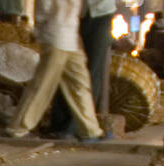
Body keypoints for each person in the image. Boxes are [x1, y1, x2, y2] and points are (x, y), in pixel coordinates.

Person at [5, 0, 103, 140]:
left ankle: (91, 130)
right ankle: (18, 128)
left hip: (72, 39)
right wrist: (41, 30)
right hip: (56, 36)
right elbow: (43, 10)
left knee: (79, 84)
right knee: (43, 85)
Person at [48, 0, 115, 137]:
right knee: (66, 68)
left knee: (93, 71)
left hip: (101, 14)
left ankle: (77, 127)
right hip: (72, 15)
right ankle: (60, 124)